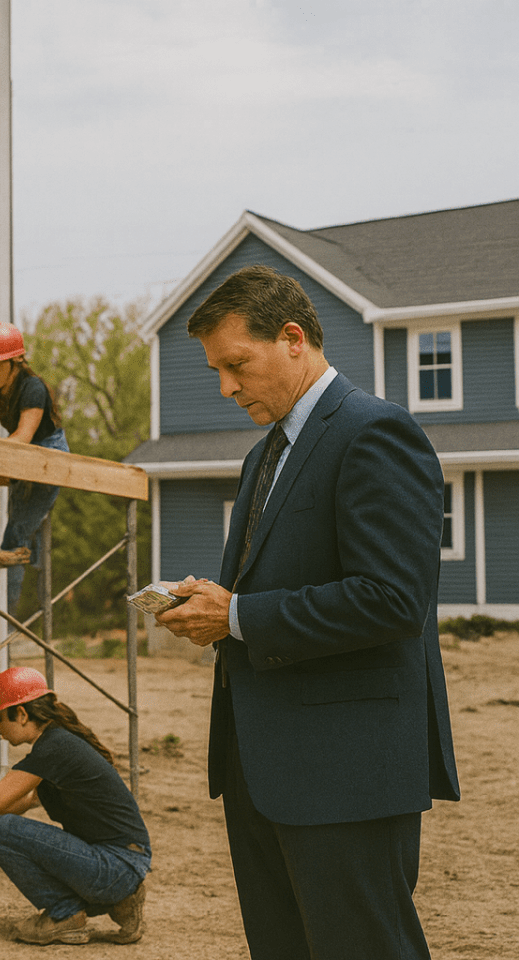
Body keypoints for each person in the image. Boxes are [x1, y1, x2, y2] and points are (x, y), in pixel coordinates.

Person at [155, 264, 460, 960]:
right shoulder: (266, 453)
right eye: (216, 371)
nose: (227, 388)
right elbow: (273, 586)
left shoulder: (375, 431)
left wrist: (238, 617)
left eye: (236, 364)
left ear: (294, 338)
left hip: (345, 772)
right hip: (262, 770)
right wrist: (213, 606)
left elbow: (394, 598)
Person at [0, 666, 150, 945]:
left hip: (116, 866)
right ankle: (122, 901)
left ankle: (65, 915)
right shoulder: (59, 742)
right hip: (123, 864)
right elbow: (22, 801)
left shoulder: (54, 747)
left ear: (20, 714)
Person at [0, 321, 69, 603]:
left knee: (15, 535)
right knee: (19, 527)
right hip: (16, 452)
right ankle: (27, 564)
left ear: (16, 362)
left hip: (48, 451)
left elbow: (23, 436)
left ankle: (8, 616)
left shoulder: (32, 387)